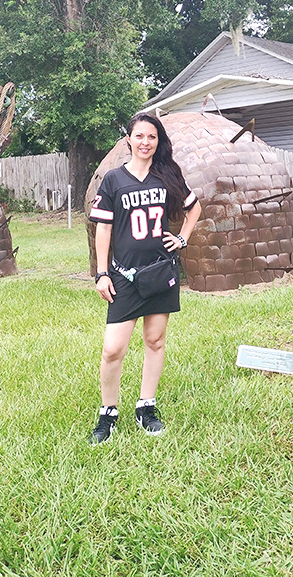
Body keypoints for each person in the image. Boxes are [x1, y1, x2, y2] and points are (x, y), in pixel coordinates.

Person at [88, 112, 201, 444]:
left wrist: (183, 238)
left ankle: (146, 406)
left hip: (159, 271)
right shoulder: (113, 180)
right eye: (139, 136)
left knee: (155, 341)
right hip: (124, 275)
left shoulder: (167, 176)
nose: (145, 142)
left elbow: (194, 208)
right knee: (112, 349)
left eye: (151, 137)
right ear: (129, 139)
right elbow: (103, 228)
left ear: (158, 140)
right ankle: (108, 411)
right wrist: (101, 273)